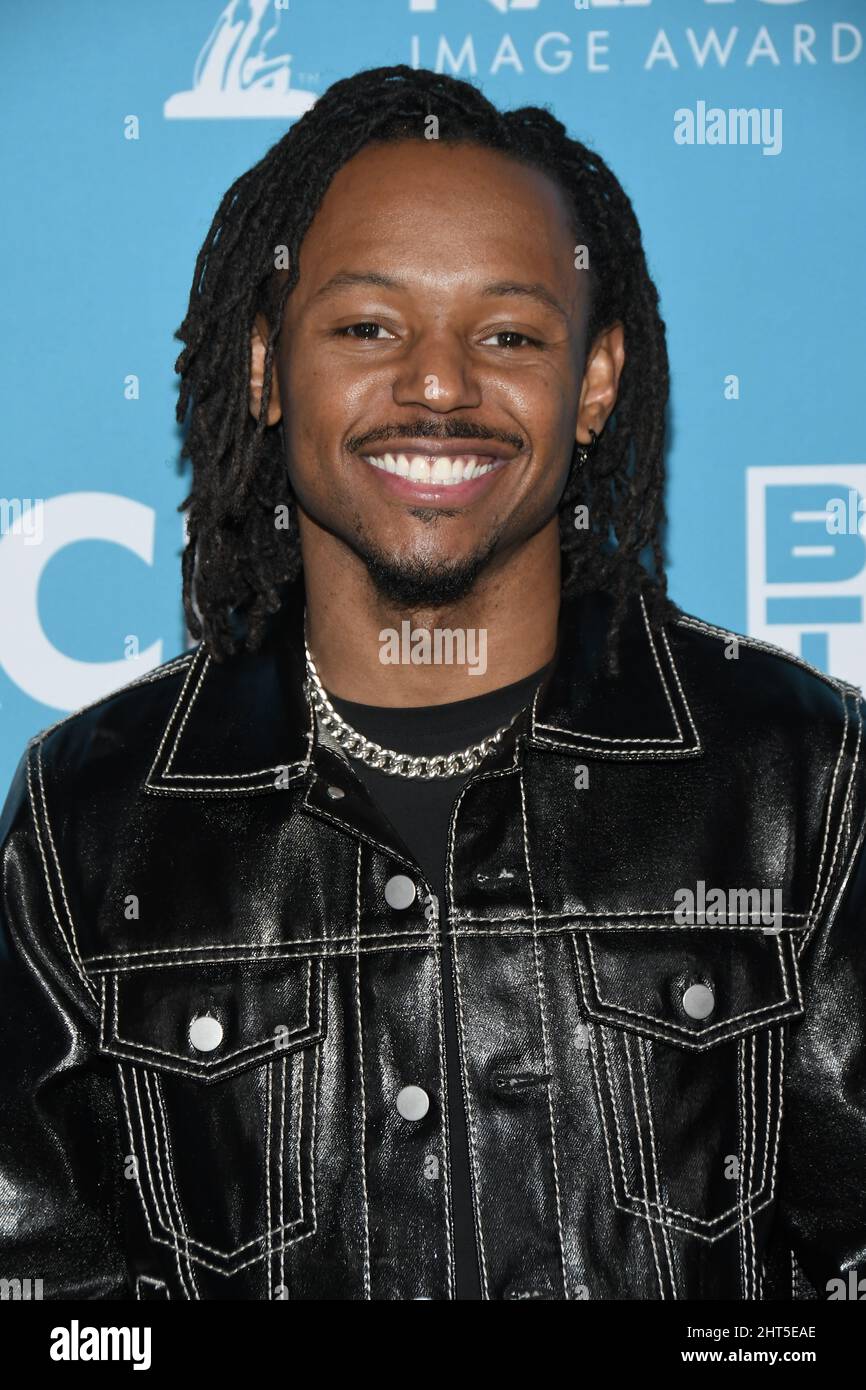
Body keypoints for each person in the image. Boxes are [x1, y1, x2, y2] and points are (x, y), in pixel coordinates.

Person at [1, 65, 864, 1302]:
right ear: (264, 368)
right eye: (367, 326)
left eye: (507, 334)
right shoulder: (95, 812)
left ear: (598, 383)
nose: (440, 385)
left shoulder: (800, 774)